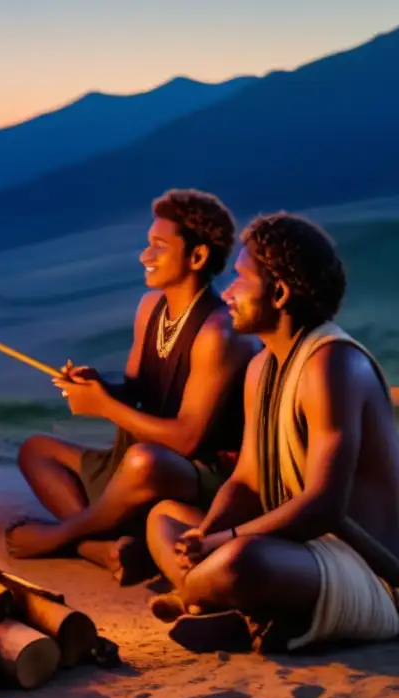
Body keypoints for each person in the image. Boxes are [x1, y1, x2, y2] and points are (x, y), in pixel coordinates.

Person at [146, 212, 399, 653]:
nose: (227, 292)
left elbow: (323, 507)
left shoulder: (332, 363)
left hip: (364, 571)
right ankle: (235, 608)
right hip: (296, 551)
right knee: (163, 519)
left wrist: (223, 543)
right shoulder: (261, 367)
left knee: (241, 562)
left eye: (241, 280)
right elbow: (246, 481)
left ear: (279, 292)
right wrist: (202, 538)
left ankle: (198, 597)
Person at [9, 190, 257, 577]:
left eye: (158, 246)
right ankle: (98, 546)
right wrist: (99, 386)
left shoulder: (217, 331)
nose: (145, 255)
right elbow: (136, 389)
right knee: (35, 451)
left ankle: (65, 535)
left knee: (144, 463)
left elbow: (190, 439)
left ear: (197, 257)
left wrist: (103, 406)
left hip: (197, 473)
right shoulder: (150, 308)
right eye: (147, 244)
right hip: (132, 460)